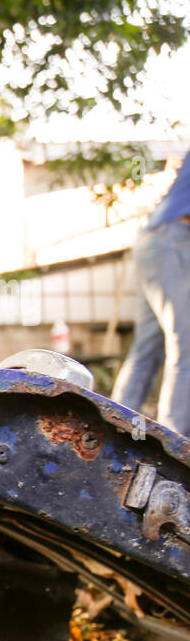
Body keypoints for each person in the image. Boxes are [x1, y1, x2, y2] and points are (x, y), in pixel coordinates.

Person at [112, 149, 190, 434]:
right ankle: (177, 440)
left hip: (154, 240)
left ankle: (114, 426)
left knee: (149, 347)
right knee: (186, 343)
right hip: (173, 239)